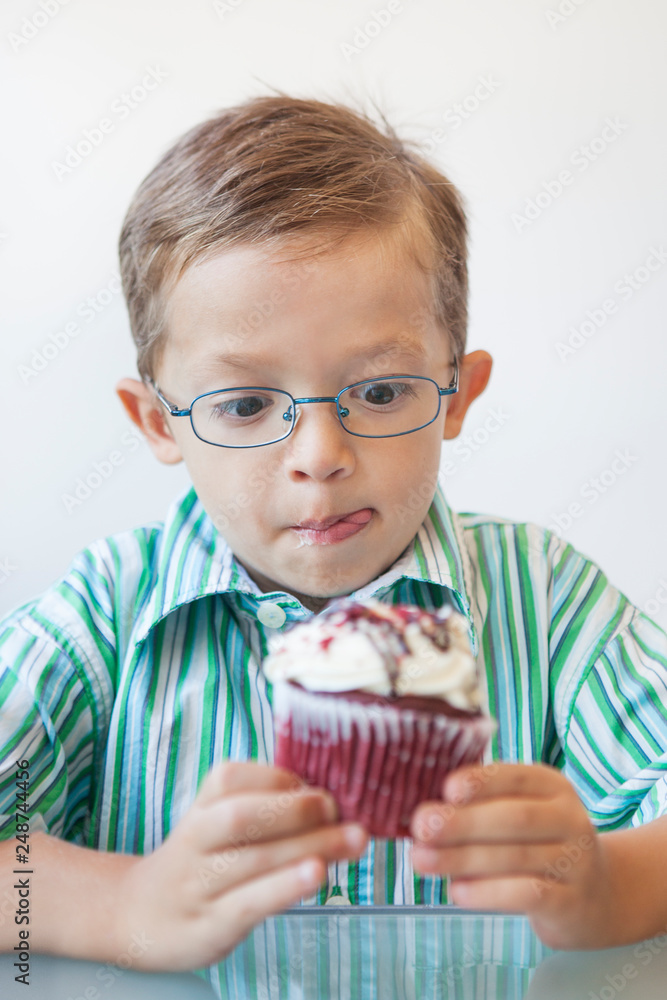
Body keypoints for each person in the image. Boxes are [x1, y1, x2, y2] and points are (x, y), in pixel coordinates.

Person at [1, 94, 666, 988]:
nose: (320, 455)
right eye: (244, 405)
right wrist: (122, 905)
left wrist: (608, 885)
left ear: (457, 395)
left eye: (381, 392)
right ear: (157, 422)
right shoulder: (102, 618)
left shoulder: (544, 600)